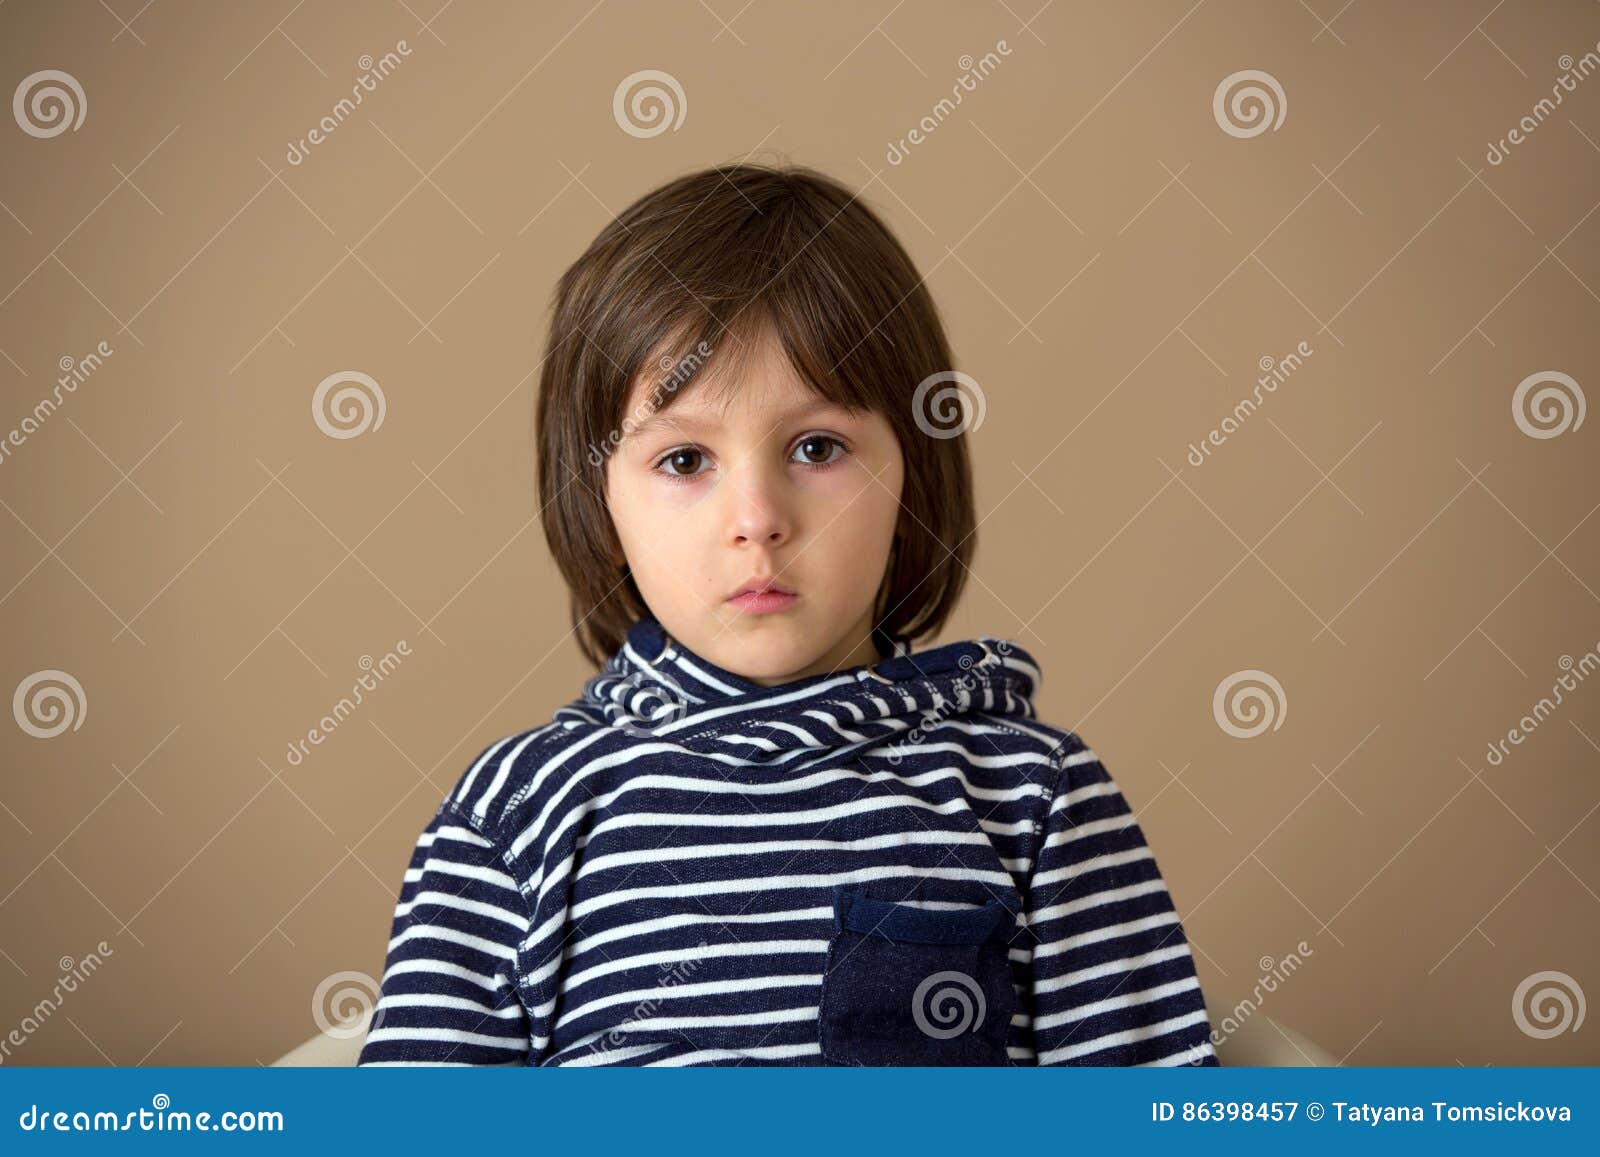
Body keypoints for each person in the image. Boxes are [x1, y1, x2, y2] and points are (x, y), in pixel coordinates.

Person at [357, 162, 1219, 1067]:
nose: (758, 517)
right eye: (686, 460)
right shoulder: (517, 815)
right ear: (600, 505)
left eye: (817, 447)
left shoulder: (1034, 800)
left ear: (911, 483)